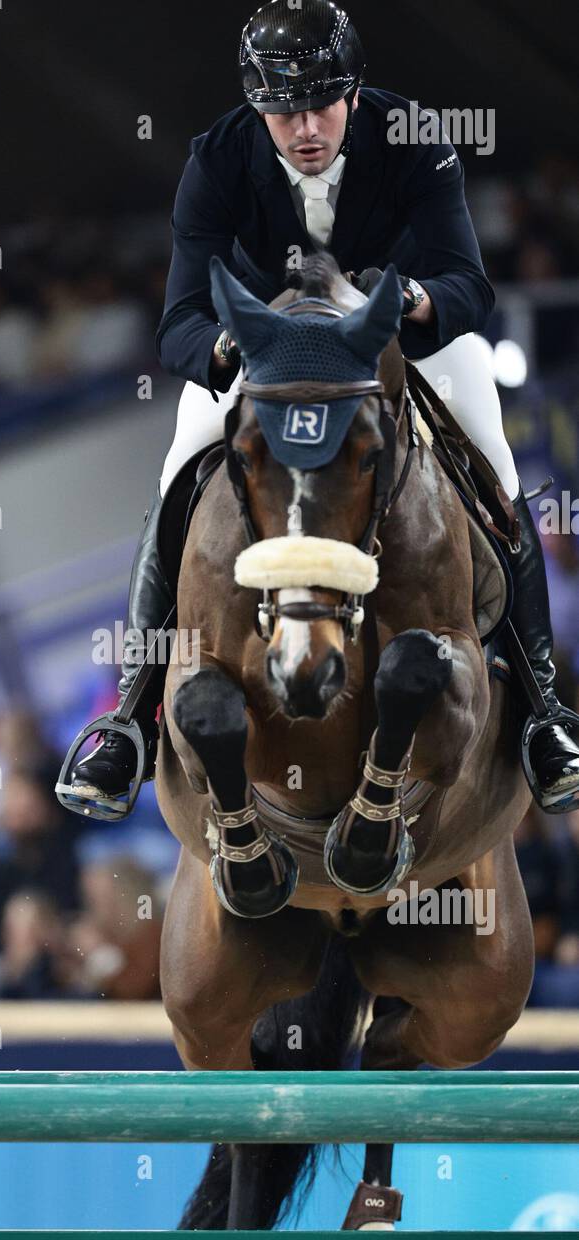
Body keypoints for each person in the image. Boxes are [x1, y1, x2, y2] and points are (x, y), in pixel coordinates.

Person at [61, 0, 579, 821]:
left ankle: (546, 713)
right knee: (174, 480)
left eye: (321, 105)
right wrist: (230, 354)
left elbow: (467, 283)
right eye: (282, 110)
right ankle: (128, 716)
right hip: (271, 354)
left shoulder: (411, 134)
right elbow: (179, 321)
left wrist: (408, 300)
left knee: (497, 466)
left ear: (356, 89)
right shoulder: (219, 158)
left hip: (394, 340)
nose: (304, 127)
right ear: (255, 107)